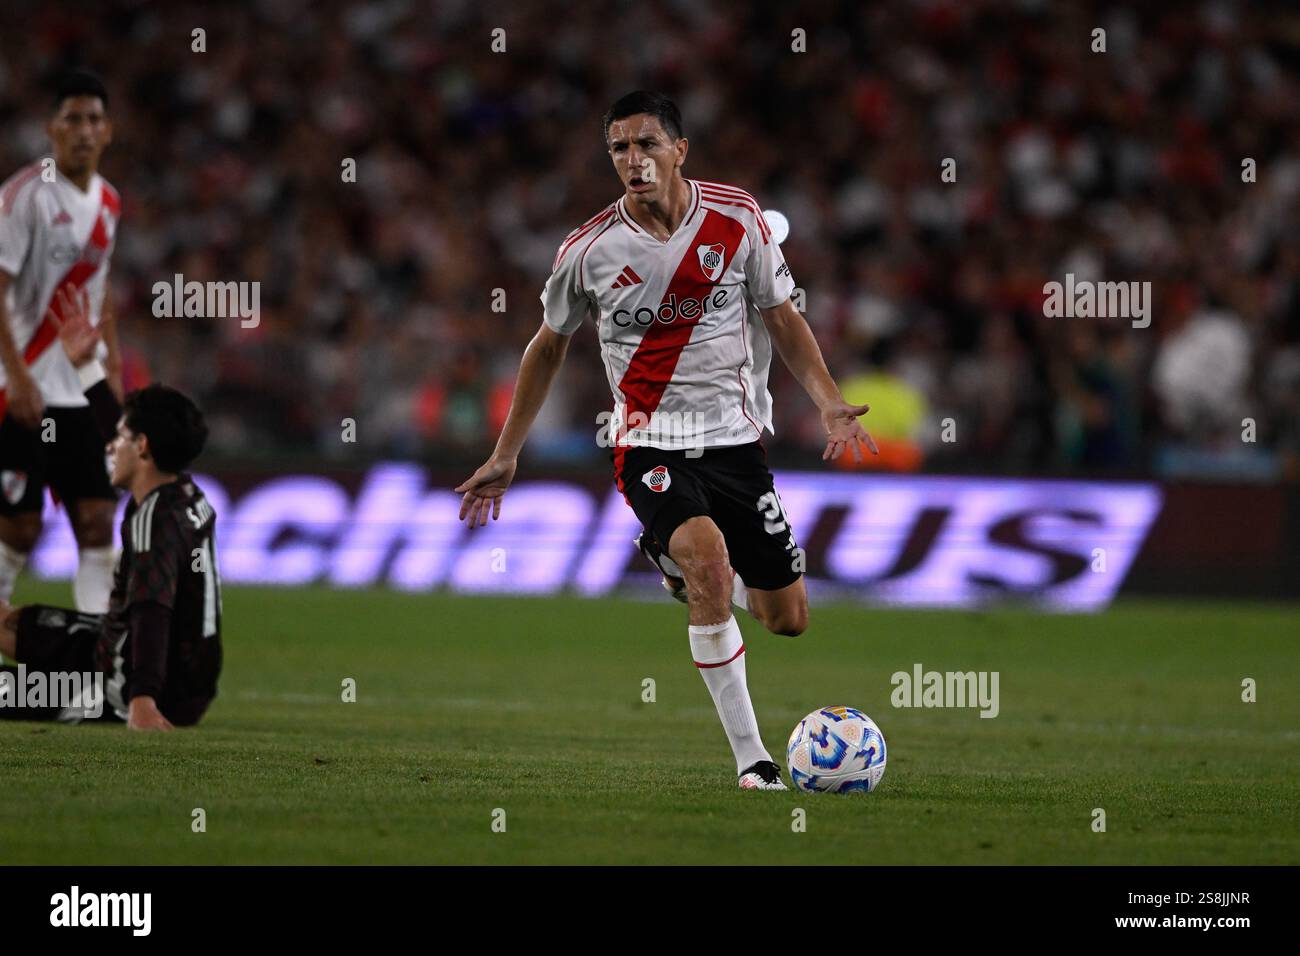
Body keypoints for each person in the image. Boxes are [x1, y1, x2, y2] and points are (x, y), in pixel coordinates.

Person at [455, 91, 876, 789]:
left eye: (647, 144)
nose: (632, 160)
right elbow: (546, 349)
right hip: (649, 443)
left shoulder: (737, 219)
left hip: (736, 445)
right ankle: (755, 763)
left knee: (787, 618)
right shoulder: (586, 251)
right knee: (709, 560)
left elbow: (782, 319)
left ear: (680, 150)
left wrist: (830, 402)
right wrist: (507, 452)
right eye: (619, 148)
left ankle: (677, 567)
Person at [0, 287, 220, 729]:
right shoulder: (183, 495)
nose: (108, 447)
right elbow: (113, 432)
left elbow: (153, 609)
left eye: (121, 438)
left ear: (141, 448)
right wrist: (86, 366)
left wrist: (141, 700)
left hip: (126, 686)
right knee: (13, 621)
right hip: (153, 666)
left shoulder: (153, 525)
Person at [0, 69, 123, 613]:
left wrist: (112, 370)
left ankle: (101, 662)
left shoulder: (110, 202)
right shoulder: (23, 196)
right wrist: (19, 377)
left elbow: (100, 294)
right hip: (22, 385)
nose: (84, 130)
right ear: (52, 128)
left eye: (94, 119)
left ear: (109, 131)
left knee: (97, 523)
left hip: (78, 390)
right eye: (72, 118)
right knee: (20, 528)